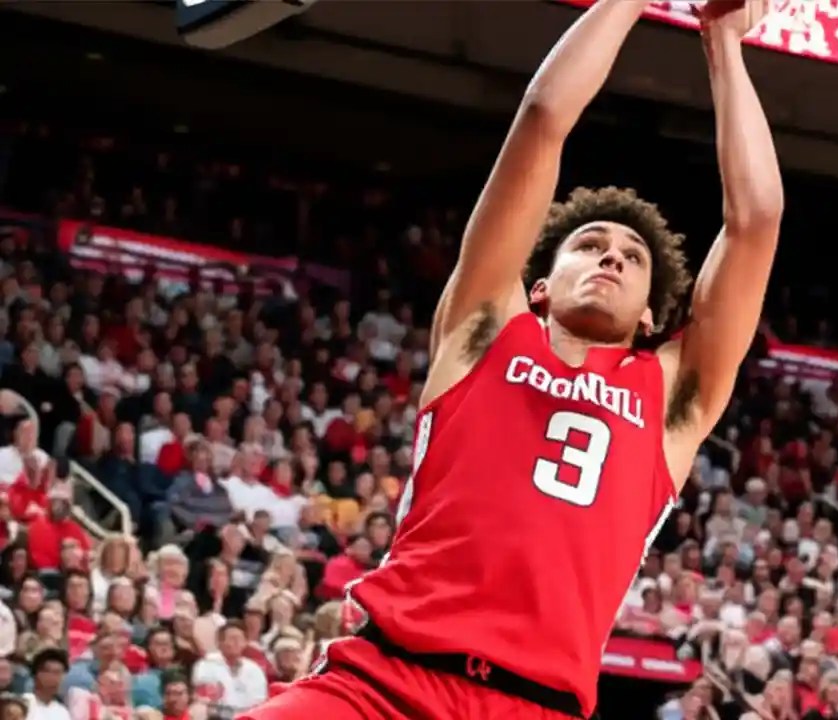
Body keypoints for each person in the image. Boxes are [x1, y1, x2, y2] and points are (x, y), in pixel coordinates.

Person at [242, 0, 782, 718]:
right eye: (589, 246)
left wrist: (724, 42)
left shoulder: (674, 394)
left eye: (631, 259)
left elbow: (756, 221)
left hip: (536, 706)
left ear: (652, 315)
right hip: (381, 681)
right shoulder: (487, 325)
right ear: (539, 285)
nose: (611, 259)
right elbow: (542, 116)